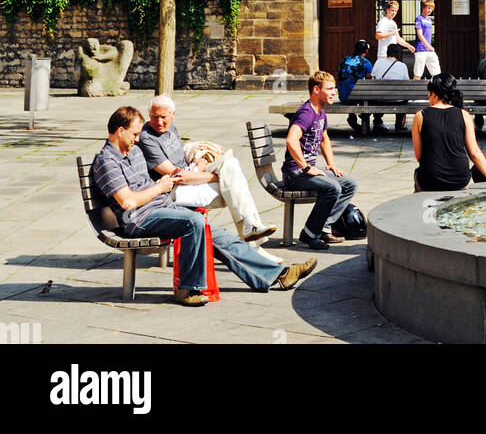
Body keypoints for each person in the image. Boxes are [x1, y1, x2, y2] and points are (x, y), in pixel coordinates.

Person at [92, 106, 315, 306]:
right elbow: (128, 202)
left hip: (161, 208)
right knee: (194, 221)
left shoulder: (133, 151)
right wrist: (160, 188)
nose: (138, 139)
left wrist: (165, 187)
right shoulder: (107, 161)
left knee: (219, 234)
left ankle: (279, 274)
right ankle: (187, 289)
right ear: (120, 131)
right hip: (138, 220)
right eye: (135, 134)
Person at [138, 94, 275, 243]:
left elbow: (183, 159)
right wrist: (215, 177)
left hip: (191, 174)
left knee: (231, 165)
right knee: (232, 188)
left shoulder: (172, 128)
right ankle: (254, 242)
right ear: (149, 114)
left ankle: (251, 229)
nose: (159, 122)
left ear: (173, 114)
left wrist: (202, 161)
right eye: (154, 117)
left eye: (163, 117)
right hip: (174, 190)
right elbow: (176, 175)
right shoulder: (147, 138)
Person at [282, 71, 360, 250]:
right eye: (330, 89)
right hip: (295, 174)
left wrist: (331, 164)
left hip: (307, 171)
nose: (334, 92)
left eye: (334, 88)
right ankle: (310, 234)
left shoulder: (320, 112)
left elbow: (324, 139)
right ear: (316, 90)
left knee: (349, 183)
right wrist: (306, 167)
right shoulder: (306, 113)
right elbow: (291, 140)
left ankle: (324, 227)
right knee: (333, 188)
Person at [413, 72, 486, 195]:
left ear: (433, 93)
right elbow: (474, 153)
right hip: (459, 179)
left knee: (418, 180)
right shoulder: (464, 115)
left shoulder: (420, 116)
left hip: (431, 180)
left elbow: (419, 156)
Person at [371, 43, 410, 134]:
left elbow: (372, 76)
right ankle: (399, 125)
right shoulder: (402, 66)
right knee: (403, 97)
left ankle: (377, 122)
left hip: (380, 99)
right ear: (398, 54)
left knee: (377, 94)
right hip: (398, 99)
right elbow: (407, 83)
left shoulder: (379, 62)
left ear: (387, 52)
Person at [336, 39, 373, 135]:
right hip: (356, 98)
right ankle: (364, 120)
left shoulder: (344, 60)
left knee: (350, 86)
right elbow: (369, 82)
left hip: (342, 96)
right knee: (366, 96)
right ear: (366, 51)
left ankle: (352, 117)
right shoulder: (366, 63)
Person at [413, 0, 441, 79]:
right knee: (418, 73)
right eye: (428, 8)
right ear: (423, 8)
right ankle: (413, 89)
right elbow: (420, 35)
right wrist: (428, 46)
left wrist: (429, 47)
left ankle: (437, 90)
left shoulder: (429, 20)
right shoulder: (419, 19)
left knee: (437, 73)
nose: (430, 10)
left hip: (429, 50)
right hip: (421, 49)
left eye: (431, 8)